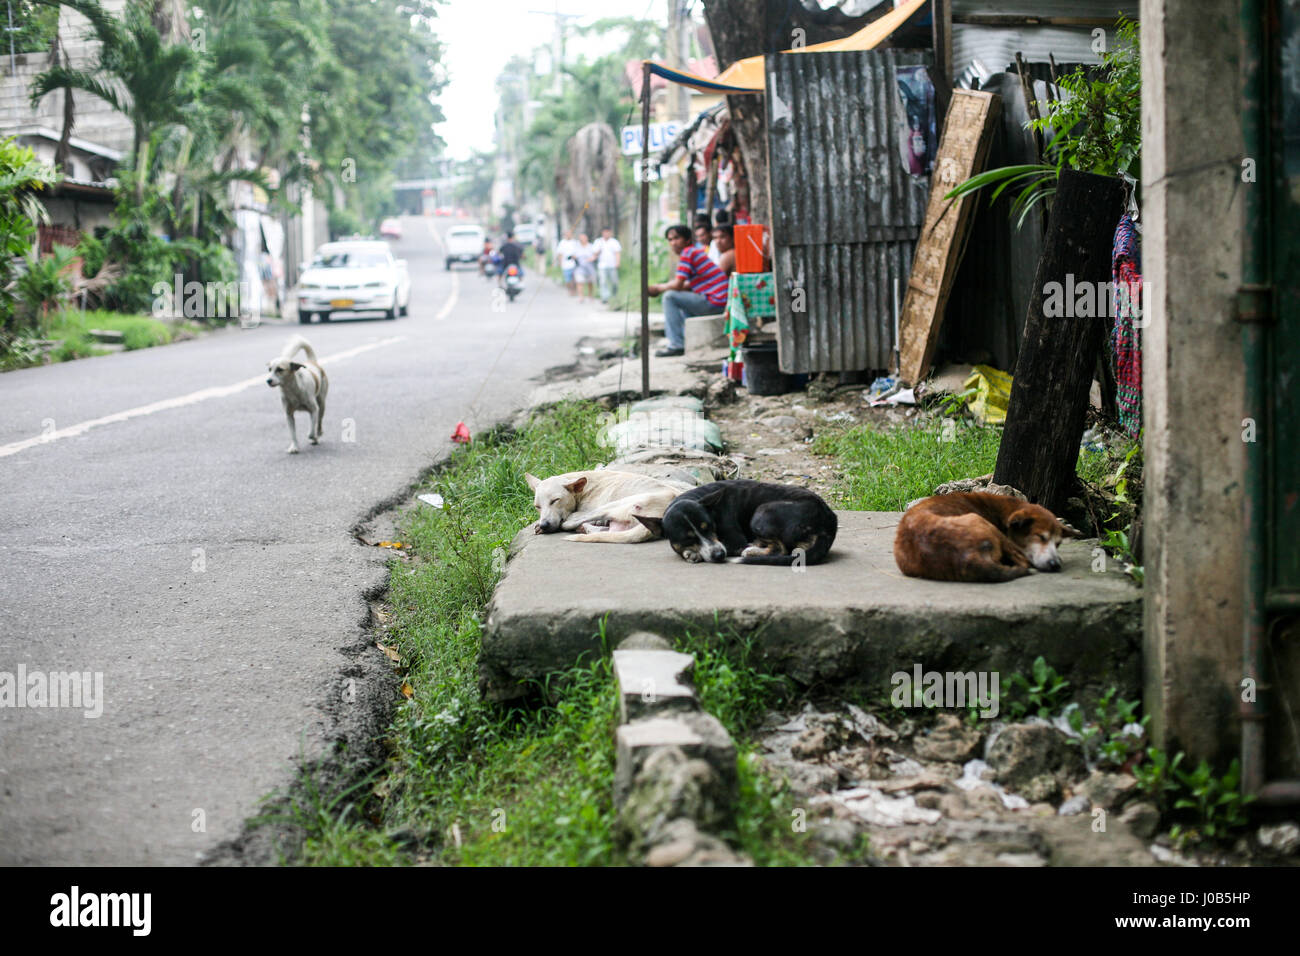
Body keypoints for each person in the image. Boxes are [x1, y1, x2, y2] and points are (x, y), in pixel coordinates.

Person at [647, 223, 729, 357]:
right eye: (670, 240)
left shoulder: (688, 252)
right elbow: (686, 285)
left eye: (676, 238)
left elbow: (678, 284)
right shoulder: (694, 252)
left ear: (687, 240)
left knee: (669, 297)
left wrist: (658, 288)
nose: (673, 243)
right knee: (679, 298)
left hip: (716, 301)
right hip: (719, 301)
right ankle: (684, 341)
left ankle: (676, 344)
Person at [593, 227, 622, 304]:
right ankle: (605, 297)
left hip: (612, 265)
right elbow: (594, 253)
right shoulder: (598, 242)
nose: (606, 234)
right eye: (605, 232)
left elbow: (617, 253)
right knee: (603, 281)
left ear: (610, 233)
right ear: (602, 233)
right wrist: (599, 250)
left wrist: (618, 262)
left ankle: (614, 296)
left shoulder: (614, 242)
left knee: (614, 282)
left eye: (608, 232)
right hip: (602, 266)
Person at [574, 232, 597, 303]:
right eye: (581, 238)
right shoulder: (577, 247)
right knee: (579, 282)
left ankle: (590, 295)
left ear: (587, 238)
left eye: (584, 237)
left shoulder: (591, 246)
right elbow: (573, 255)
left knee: (590, 282)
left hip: (590, 267)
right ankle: (581, 296)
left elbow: (595, 255)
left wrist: (592, 258)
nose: (582, 239)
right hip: (579, 267)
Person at [555, 230, 579, 295]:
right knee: (568, 280)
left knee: (575, 279)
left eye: (570, 233)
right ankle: (570, 290)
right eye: (567, 234)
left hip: (574, 263)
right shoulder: (562, 243)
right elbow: (560, 254)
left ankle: (574, 291)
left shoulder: (575, 242)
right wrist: (560, 263)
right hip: (565, 264)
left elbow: (578, 252)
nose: (568, 235)